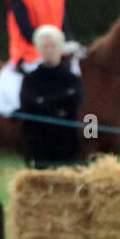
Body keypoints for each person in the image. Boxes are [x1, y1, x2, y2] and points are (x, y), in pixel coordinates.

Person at [19, 25, 83, 168]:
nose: (49, 51)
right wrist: (59, 109)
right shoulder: (31, 79)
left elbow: (76, 99)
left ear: (60, 48)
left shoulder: (71, 78)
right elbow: (27, 103)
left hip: (67, 146)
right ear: (39, 49)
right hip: (39, 145)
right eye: (45, 47)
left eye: (53, 46)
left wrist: (43, 103)